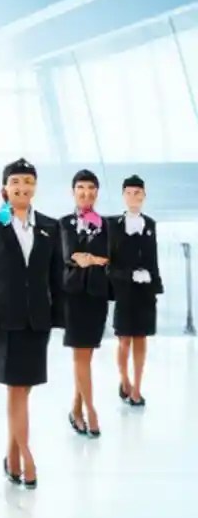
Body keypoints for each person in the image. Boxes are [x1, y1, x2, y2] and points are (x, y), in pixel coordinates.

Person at [0, 159, 63, 489]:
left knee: (24, 390)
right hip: (6, 318)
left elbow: (56, 277)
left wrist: (58, 317)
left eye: (28, 181)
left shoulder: (49, 226)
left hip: (38, 318)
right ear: (5, 187)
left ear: (35, 186)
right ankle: (26, 455)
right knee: (16, 389)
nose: (23, 187)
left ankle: (10, 456)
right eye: (16, 182)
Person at [59, 169, 110, 437]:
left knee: (87, 356)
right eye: (81, 188)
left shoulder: (106, 225)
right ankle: (91, 411)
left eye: (91, 188)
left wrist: (90, 258)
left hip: (97, 296)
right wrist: (92, 259)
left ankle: (75, 409)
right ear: (73, 191)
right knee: (80, 355)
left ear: (97, 192)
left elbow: (110, 258)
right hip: (74, 296)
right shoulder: (64, 224)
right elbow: (70, 256)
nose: (86, 193)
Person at [107, 174, 162, 407]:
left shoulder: (150, 224)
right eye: (129, 193)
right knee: (124, 341)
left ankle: (138, 388)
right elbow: (109, 264)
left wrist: (154, 282)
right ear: (123, 196)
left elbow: (153, 258)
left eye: (137, 193)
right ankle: (124, 380)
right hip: (124, 291)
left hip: (145, 291)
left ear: (144, 195)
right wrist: (129, 275)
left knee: (141, 339)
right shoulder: (112, 225)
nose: (133, 197)